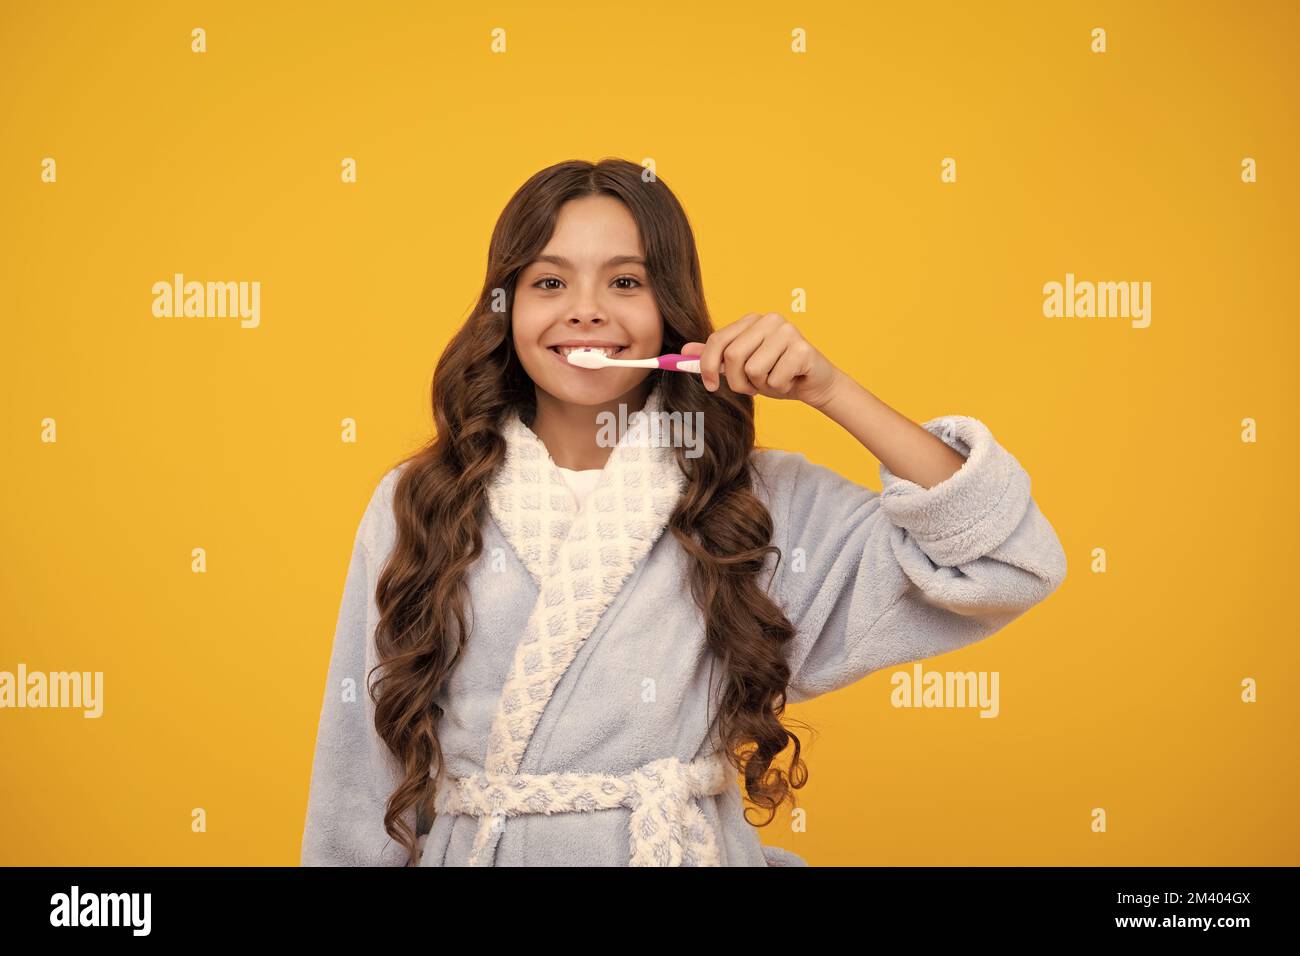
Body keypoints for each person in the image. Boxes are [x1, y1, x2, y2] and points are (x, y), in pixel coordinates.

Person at [299, 158, 1068, 867]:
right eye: (549, 283)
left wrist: (832, 391)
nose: (587, 312)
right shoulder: (421, 503)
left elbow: (1002, 561)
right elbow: (357, 777)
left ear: (670, 310)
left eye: (626, 283)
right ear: (504, 307)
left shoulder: (748, 499)